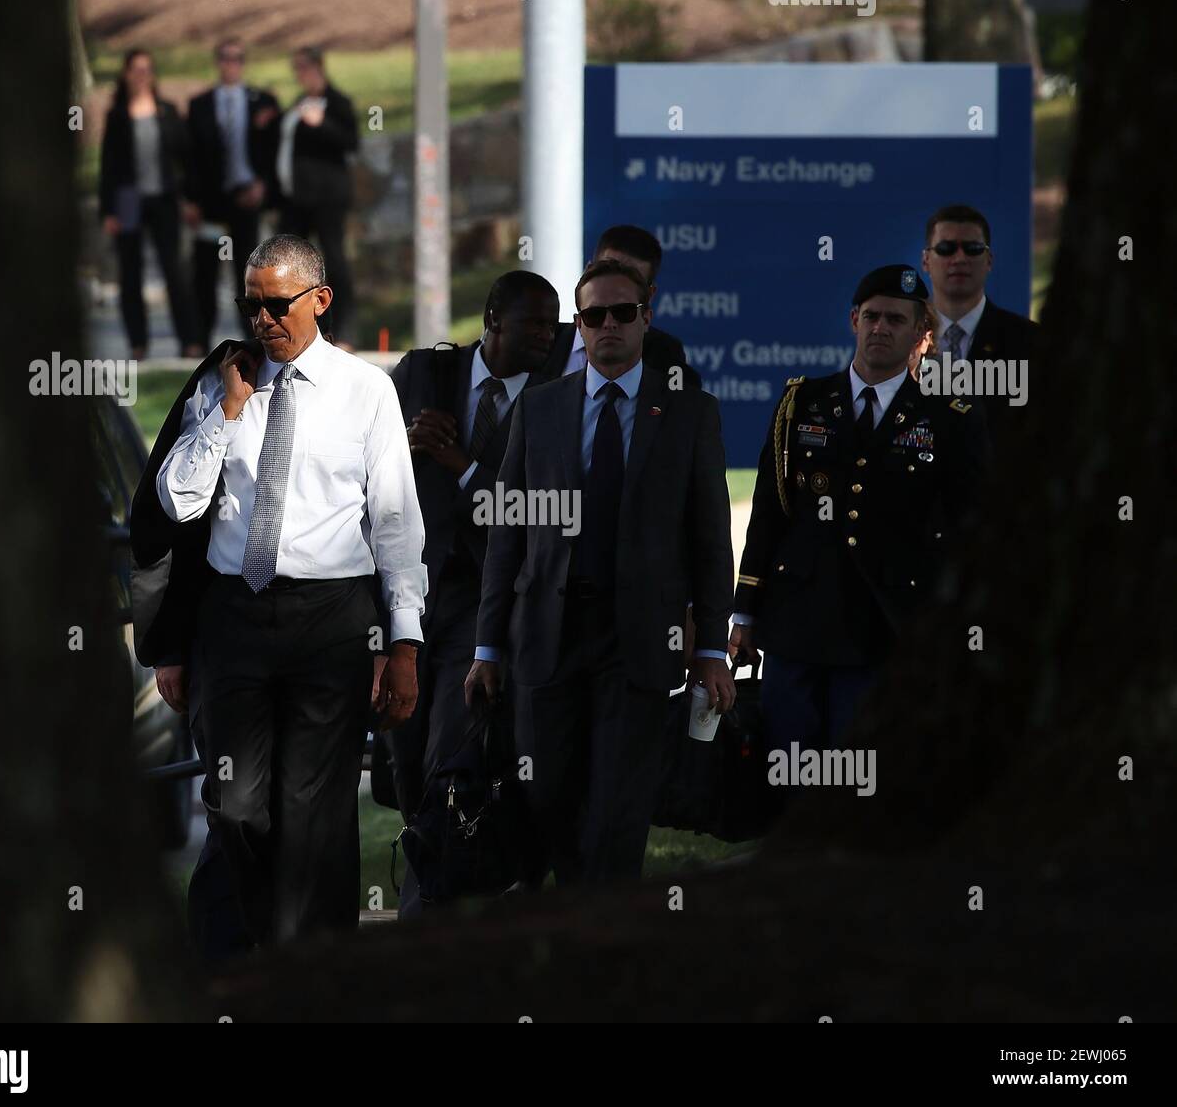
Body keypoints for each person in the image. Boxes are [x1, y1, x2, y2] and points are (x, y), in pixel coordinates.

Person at [154, 234, 425, 946]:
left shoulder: (367, 391)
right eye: (251, 306)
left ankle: (310, 973)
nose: (263, 320)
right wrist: (227, 411)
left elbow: (395, 523)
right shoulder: (224, 380)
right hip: (233, 618)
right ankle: (248, 953)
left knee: (314, 816)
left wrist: (404, 642)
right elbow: (176, 502)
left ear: (320, 300)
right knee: (237, 805)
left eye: (277, 305)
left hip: (330, 618)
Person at [466, 258, 735, 888]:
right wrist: (486, 645)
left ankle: (605, 939)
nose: (608, 325)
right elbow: (507, 533)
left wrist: (714, 647)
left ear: (646, 317)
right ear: (579, 328)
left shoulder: (691, 413)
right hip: (547, 636)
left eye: (623, 312)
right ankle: (561, 930)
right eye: (594, 316)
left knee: (619, 809)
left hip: (639, 642)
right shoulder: (540, 409)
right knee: (547, 799)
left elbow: (710, 541)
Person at [729, 264, 989, 764]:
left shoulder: (950, 417)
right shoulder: (801, 403)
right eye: (871, 316)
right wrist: (745, 609)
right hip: (798, 620)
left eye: (896, 319)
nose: (880, 328)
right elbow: (769, 512)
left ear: (922, 335)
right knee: (789, 763)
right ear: (853, 321)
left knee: (862, 770)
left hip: (887, 624)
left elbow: (970, 528)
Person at [387, 271, 561, 915]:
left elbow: (529, 509)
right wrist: (404, 446)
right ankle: (431, 861)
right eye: (534, 324)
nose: (549, 336)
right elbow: (365, 468)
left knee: (451, 743)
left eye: (554, 323)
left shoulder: (554, 399)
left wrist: (461, 464)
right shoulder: (423, 374)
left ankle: (434, 899)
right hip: (412, 593)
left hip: (490, 602)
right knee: (404, 750)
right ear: (492, 318)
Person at [98, 49, 201, 359]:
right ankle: (138, 343)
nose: (142, 75)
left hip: (165, 200)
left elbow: (187, 159)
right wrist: (108, 211)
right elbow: (108, 167)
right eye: (136, 70)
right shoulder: (117, 116)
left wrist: (191, 199)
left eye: (147, 70)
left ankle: (189, 341)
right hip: (128, 201)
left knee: (175, 271)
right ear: (126, 75)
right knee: (131, 274)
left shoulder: (167, 112)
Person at [184, 39, 282, 346]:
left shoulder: (262, 101)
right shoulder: (200, 105)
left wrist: (262, 184)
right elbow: (191, 157)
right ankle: (199, 338)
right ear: (218, 62)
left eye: (237, 58)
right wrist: (190, 199)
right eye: (225, 58)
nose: (231, 64)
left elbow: (275, 149)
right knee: (205, 271)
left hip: (246, 197)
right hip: (211, 201)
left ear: (243, 63)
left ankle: (252, 335)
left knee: (249, 270)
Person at [919, 203, 1041, 437]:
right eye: (946, 248)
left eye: (972, 248)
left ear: (989, 260)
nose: (960, 258)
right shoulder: (902, 341)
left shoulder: (1030, 342)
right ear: (925, 261)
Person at [276, 47, 360, 348]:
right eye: (296, 68)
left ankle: (344, 332)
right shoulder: (298, 103)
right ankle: (293, 330)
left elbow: (351, 142)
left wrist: (321, 124)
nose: (301, 74)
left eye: (305, 67)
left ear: (319, 67)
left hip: (326, 200)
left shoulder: (337, 103)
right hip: (296, 201)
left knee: (334, 261)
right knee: (289, 265)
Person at [546, 224, 698, 388]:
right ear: (587, 271)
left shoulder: (665, 357)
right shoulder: (544, 340)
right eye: (605, 270)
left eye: (632, 280)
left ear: (650, 294)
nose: (615, 286)